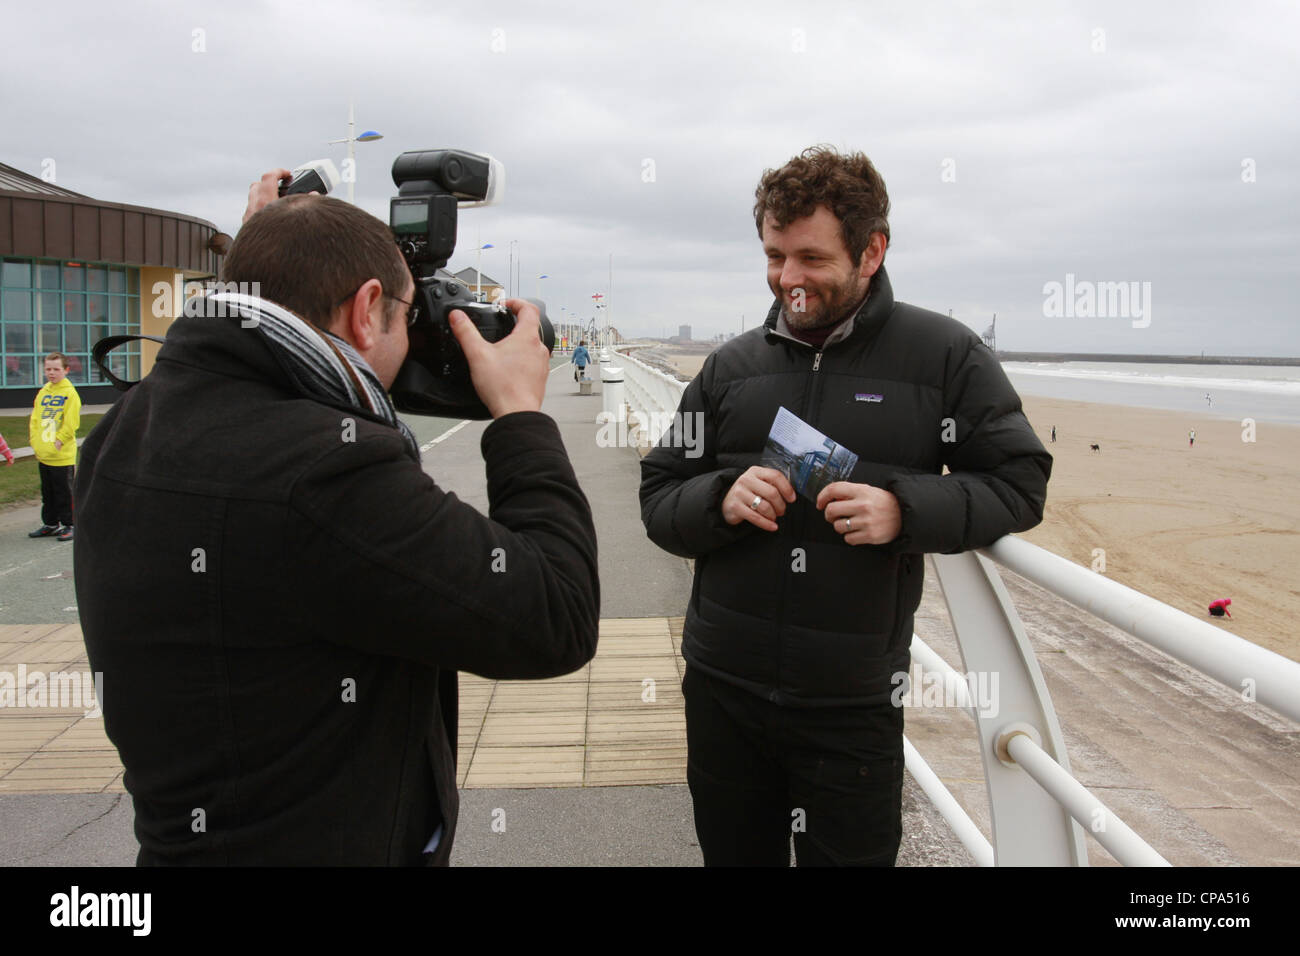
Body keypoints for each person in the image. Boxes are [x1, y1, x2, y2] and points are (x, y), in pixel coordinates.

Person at [74, 171, 600, 865]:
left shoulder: (128, 426)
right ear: (366, 308)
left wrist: (271, 251)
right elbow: (555, 614)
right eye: (406, 318)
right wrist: (521, 417)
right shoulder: (326, 471)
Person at [640, 146, 1051, 866]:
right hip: (722, 689)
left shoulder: (945, 355)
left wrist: (905, 508)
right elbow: (657, 495)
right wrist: (718, 496)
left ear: (872, 250)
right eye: (773, 256)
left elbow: (1020, 482)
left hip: (851, 707)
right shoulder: (732, 365)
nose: (788, 279)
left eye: (810, 257)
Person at [28, 352, 81, 542]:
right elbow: (35, 419)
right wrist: (35, 441)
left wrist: (60, 440)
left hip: (61, 455)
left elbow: (71, 423)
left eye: (56, 369)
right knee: (47, 492)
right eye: (48, 369)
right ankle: (51, 523)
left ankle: (70, 524)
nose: (52, 373)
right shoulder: (44, 392)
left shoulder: (70, 393)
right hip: (44, 453)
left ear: (66, 370)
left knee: (64, 492)